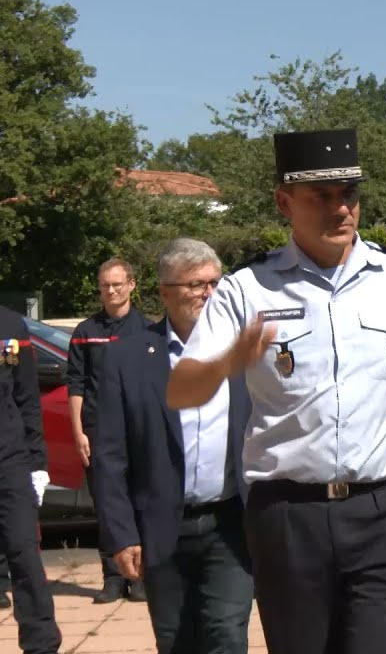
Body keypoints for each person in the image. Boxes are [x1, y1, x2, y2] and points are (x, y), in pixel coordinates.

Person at [165, 128, 386, 654]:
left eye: (348, 194)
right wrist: (229, 361)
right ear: (285, 201)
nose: (341, 210)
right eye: (321, 197)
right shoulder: (246, 289)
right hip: (288, 518)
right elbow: (181, 390)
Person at [94, 238, 255, 654]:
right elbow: (110, 455)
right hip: (161, 528)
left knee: (226, 633)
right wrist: (121, 534)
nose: (208, 292)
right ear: (165, 292)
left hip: (230, 524)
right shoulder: (127, 358)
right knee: (175, 641)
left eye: (214, 283)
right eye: (195, 284)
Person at [68, 257, 150, 603]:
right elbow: (76, 384)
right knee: (106, 504)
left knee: (140, 503)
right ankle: (112, 578)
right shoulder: (86, 333)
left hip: (139, 431)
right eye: (105, 285)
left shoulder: (148, 330)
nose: (112, 290)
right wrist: (77, 431)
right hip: (98, 431)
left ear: (132, 284)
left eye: (118, 283)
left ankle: (141, 578)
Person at [0, 305, 60, 653]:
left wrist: (37, 461)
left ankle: (41, 644)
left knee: (24, 555)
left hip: (9, 462)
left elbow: (27, 397)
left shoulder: (9, 325)